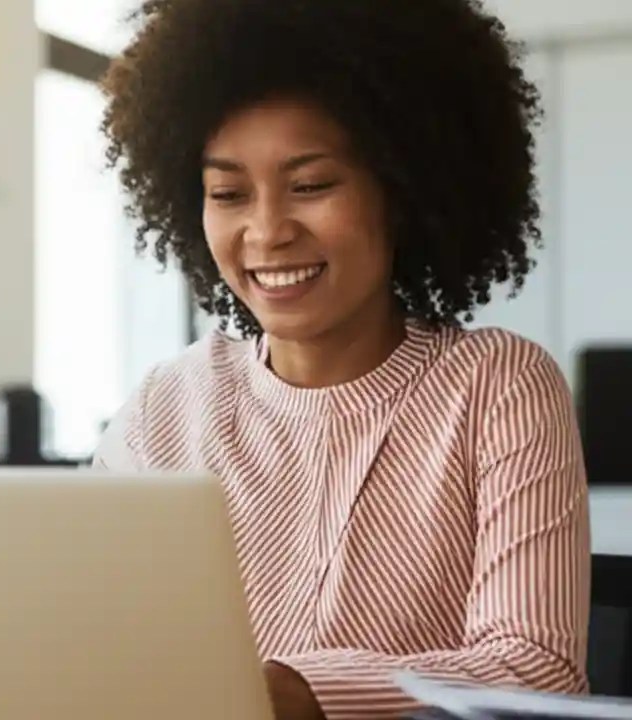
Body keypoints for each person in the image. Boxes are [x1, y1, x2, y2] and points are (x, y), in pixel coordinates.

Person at [92, 0, 590, 718]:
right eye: (228, 193)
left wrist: (292, 693)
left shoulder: (498, 385)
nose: (266, 231)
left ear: (403, 189)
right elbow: (89, 637)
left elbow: (536, 668)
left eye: (311, 185)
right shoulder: (165, 408)